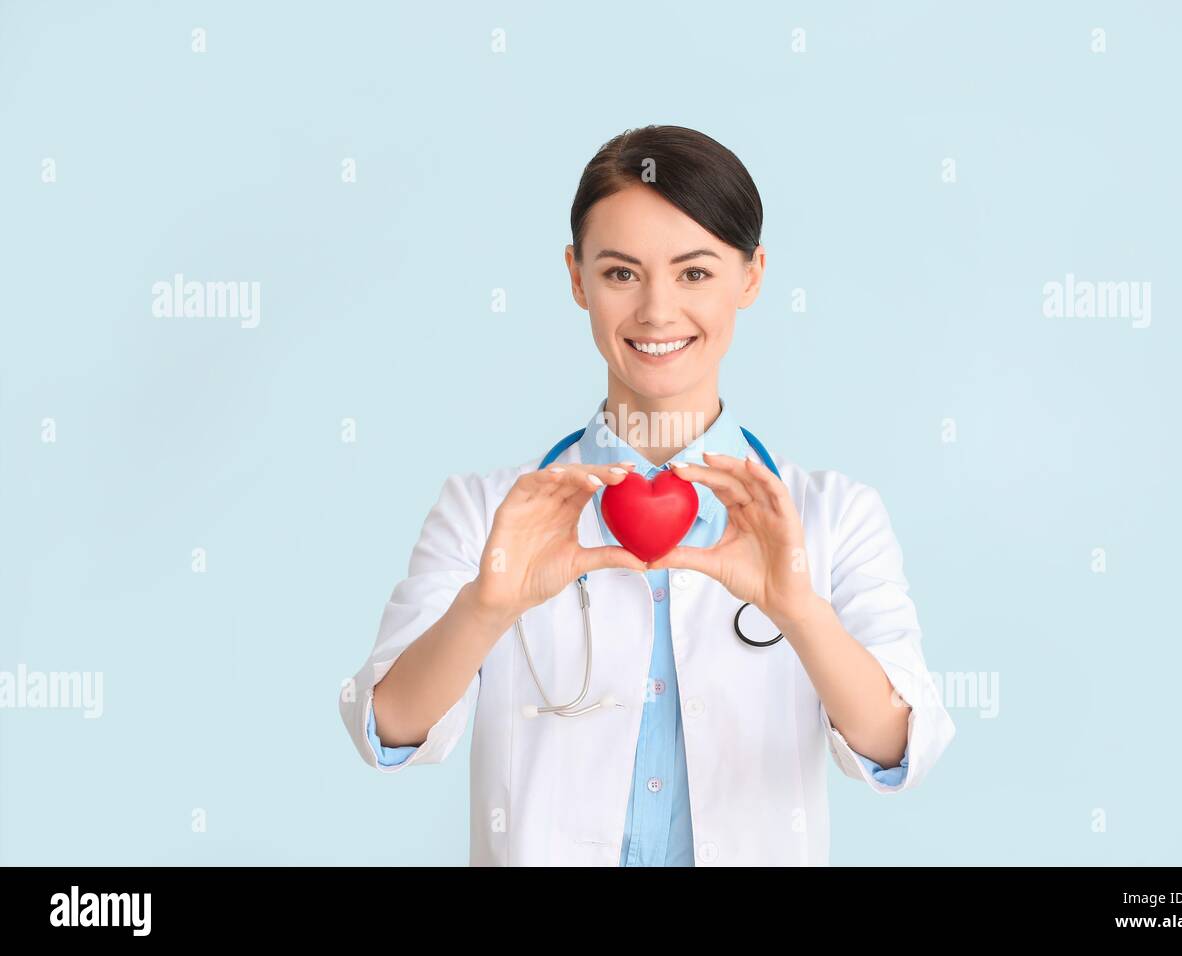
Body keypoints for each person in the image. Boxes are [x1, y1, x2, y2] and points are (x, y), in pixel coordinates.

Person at [339, 124, 955, 866]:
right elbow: (388, 728)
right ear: (576, 278)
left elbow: (897, 746)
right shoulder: (486, 509)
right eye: (621, 273)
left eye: (695, 273)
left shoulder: (833, 514)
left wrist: (798, 610)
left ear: (752, 276)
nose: (657, 312)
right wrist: (487, 606)